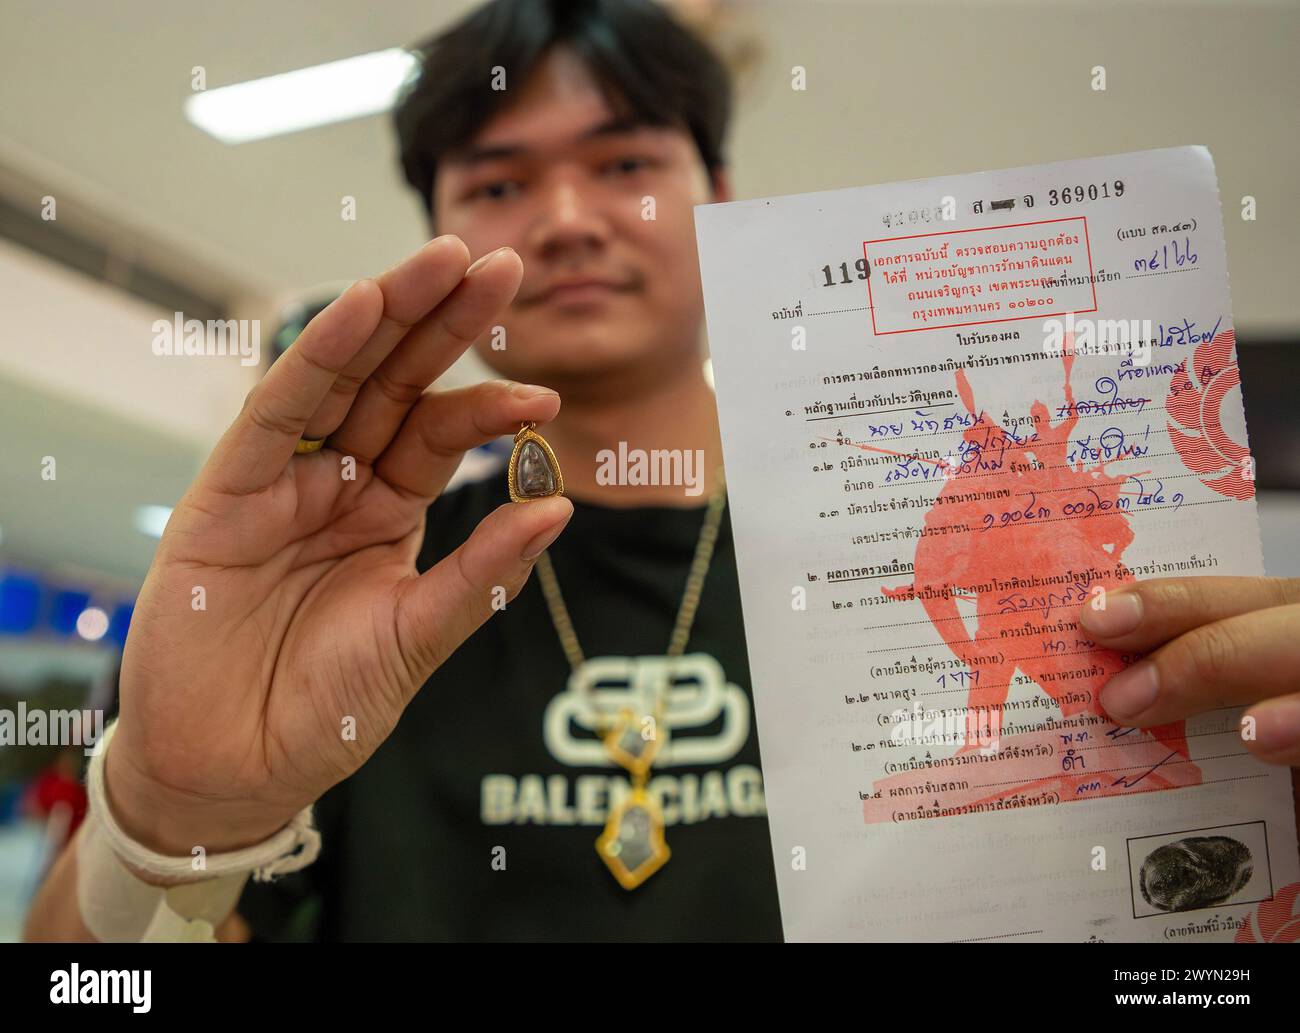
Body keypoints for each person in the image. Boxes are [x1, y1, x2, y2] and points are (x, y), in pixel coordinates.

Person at [23, 0, 1300, 943]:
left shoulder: (926, 558)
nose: (569, 215)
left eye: (626, 163)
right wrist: (168, 813)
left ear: (721, 196)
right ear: (442, 237)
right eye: (501, 179)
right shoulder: (346, 586)